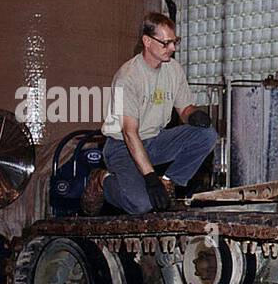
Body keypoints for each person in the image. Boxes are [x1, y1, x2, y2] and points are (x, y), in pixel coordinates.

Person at [82, 12, 217, 215]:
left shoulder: (173, 70)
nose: (172, 48)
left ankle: (169, 182)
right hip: (123, 147)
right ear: (147, 41)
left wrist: (194, 115)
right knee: (142, 204)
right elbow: (130, 133)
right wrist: (150, 178)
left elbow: (185, 109)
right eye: (166, 43)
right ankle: (103, 180)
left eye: (174, 42)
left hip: (155, 140)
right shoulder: (128, 77)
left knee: (207, 135)